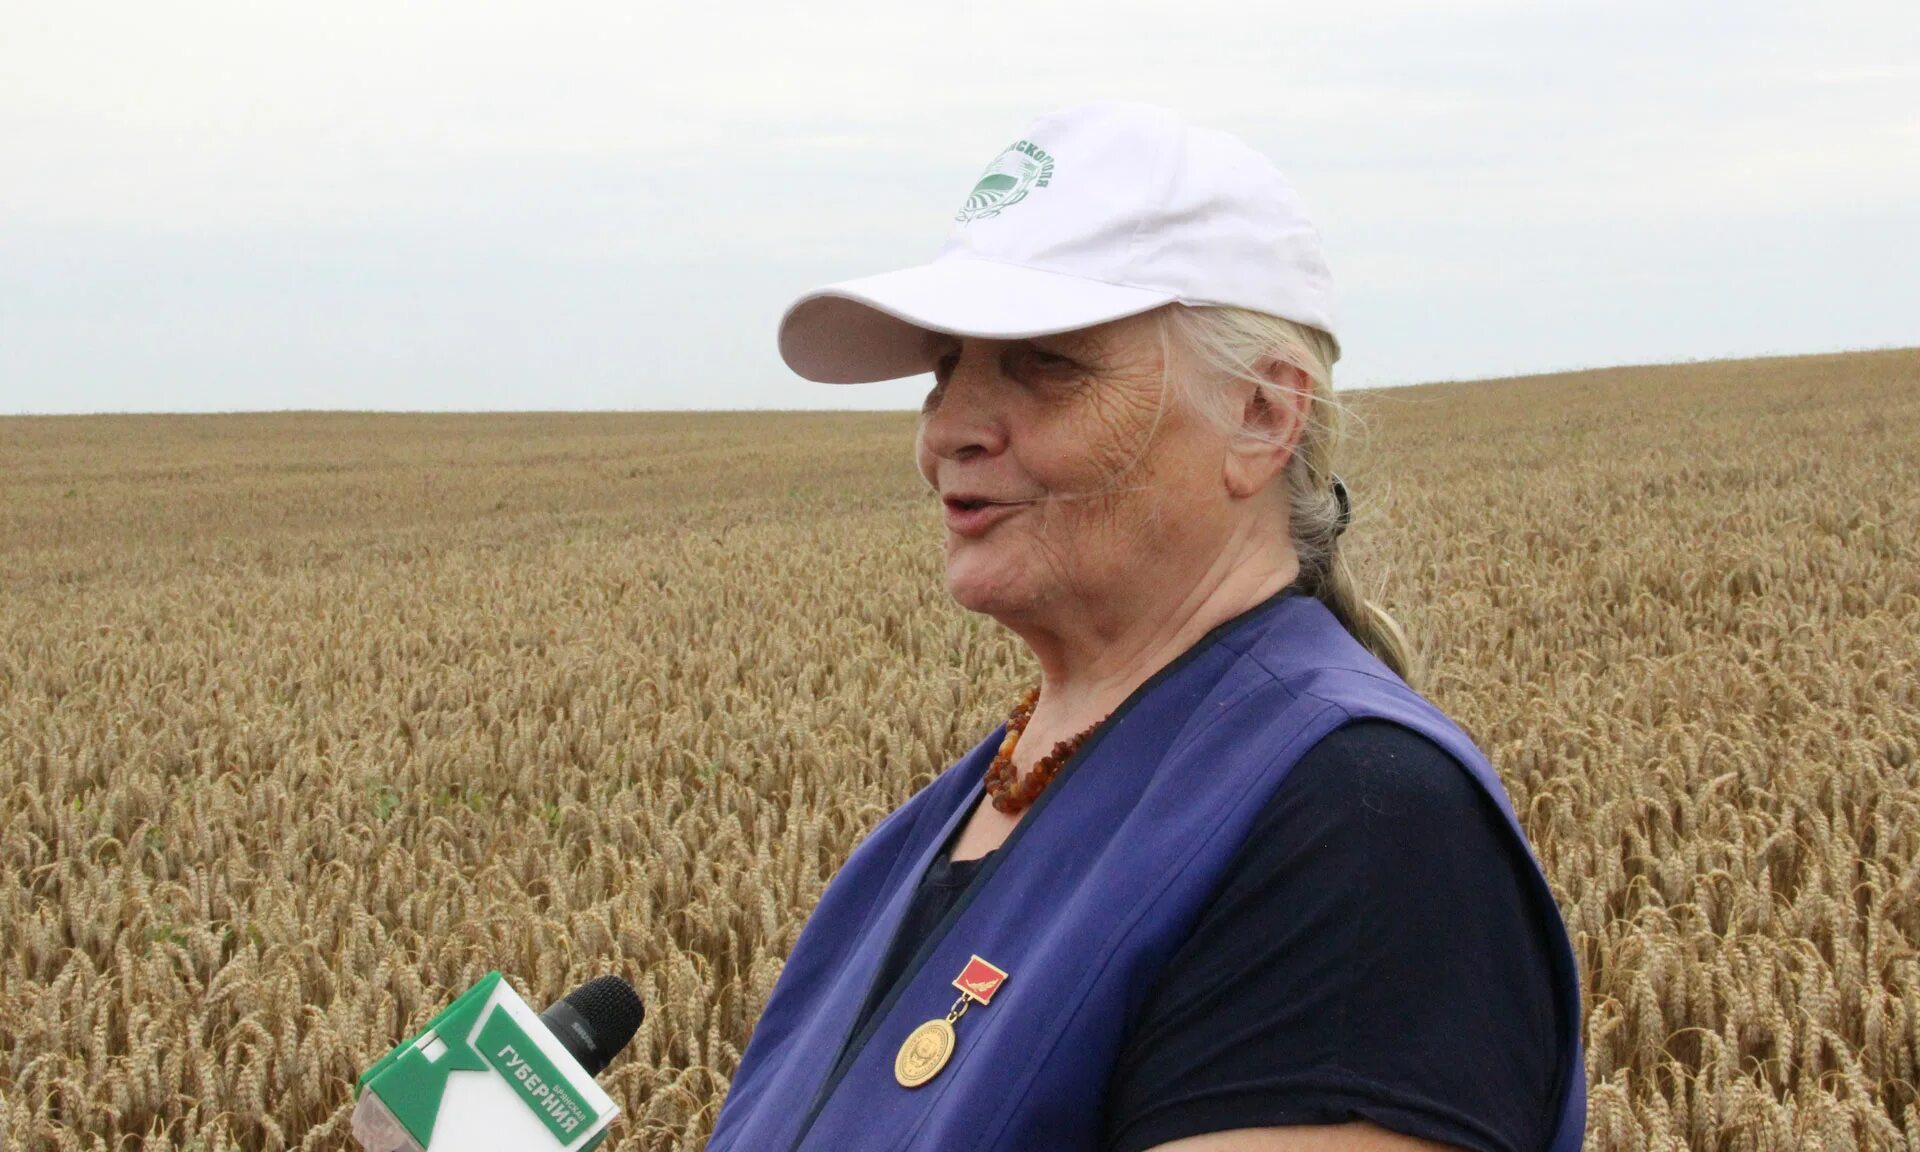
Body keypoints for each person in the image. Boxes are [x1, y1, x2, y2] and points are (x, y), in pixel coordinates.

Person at [705, 101, 1585, 1152]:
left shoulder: (1361, 830)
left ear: (1263, 414)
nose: (948, 430)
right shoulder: (920, 840)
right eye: (946, 367)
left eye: (1045, 362)